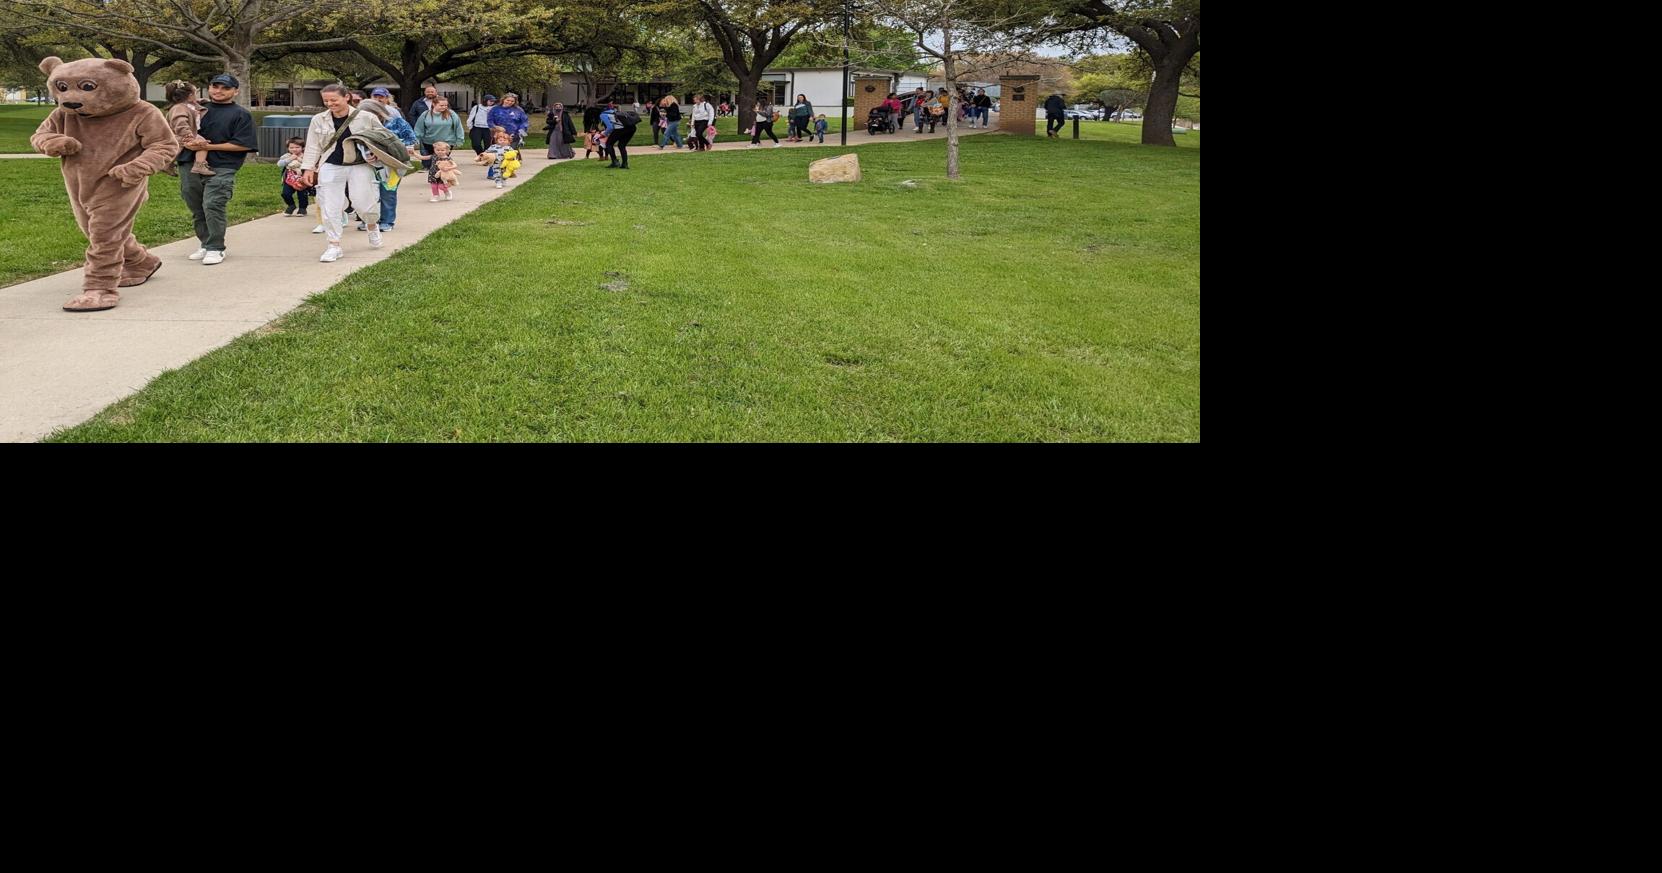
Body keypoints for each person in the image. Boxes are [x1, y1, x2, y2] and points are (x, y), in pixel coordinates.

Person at [298, 82, 389, 262]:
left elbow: (383, 139)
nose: (330, 104)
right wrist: (308, 168)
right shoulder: (319, 119)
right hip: (331, 165)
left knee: (364, 202)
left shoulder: (366, 117)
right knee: (329, 205)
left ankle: (372, 226)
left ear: (346, 97)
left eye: (334, 100)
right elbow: (313, 145)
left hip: (359, 165)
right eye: (326, 101)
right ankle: (334, 245)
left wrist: (375, 155)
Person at [177, 72, 257, 266]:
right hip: (189, 163)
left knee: (213, 204)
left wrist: (208, 147)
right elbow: (176, 128)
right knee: (196, 207)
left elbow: (243, 145)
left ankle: (215, 248)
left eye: (225, 88)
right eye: (215, 86)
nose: (219, 91)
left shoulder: (241, 114)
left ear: (235, 91)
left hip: (223, 166)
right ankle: (205, 243)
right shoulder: (195, 109)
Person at [357, 98, 417, 233]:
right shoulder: (359, 125)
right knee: (369, 193)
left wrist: (386, 150)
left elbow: (410, 138)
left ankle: (387, 221)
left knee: (388, 192)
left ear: (377, 112)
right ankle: (369, 219)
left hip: (392, 165)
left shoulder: (396, 122)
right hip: (368, 164)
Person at [163, 80, 213, 177]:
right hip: (182, 134)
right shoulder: (179, 108)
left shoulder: (185, 105)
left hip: (181, 134)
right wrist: (187, 134)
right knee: (203, 144)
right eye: (196, 94)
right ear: (190, 96)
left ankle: (167, 164)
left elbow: (195, 103)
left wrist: (203, 101)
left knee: (176, 149)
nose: (197, 96)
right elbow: (180, 121)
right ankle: (199, 165)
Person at [277, 136, 315, 218]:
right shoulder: (286, 156)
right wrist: (290, 159)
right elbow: (279, 164)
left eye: (297, 147)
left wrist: (299, 159)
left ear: (303, 147)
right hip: (289, 179)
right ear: (288, 148)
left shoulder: (305, 156)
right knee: (285, 193)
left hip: (302, 178)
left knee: (302, 194)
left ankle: (302, 208)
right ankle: (291, 205)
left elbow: (310, 164)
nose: (294, 149)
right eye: (291, 147)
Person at [602, 101, 637, 169]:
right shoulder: (616, 112)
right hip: (631, 128)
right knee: (621, 145)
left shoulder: (603, 114)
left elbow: (610, 127)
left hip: (621, 129)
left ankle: (615, 162)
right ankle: (625, 164)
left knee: (609, 144)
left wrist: (604, 134)